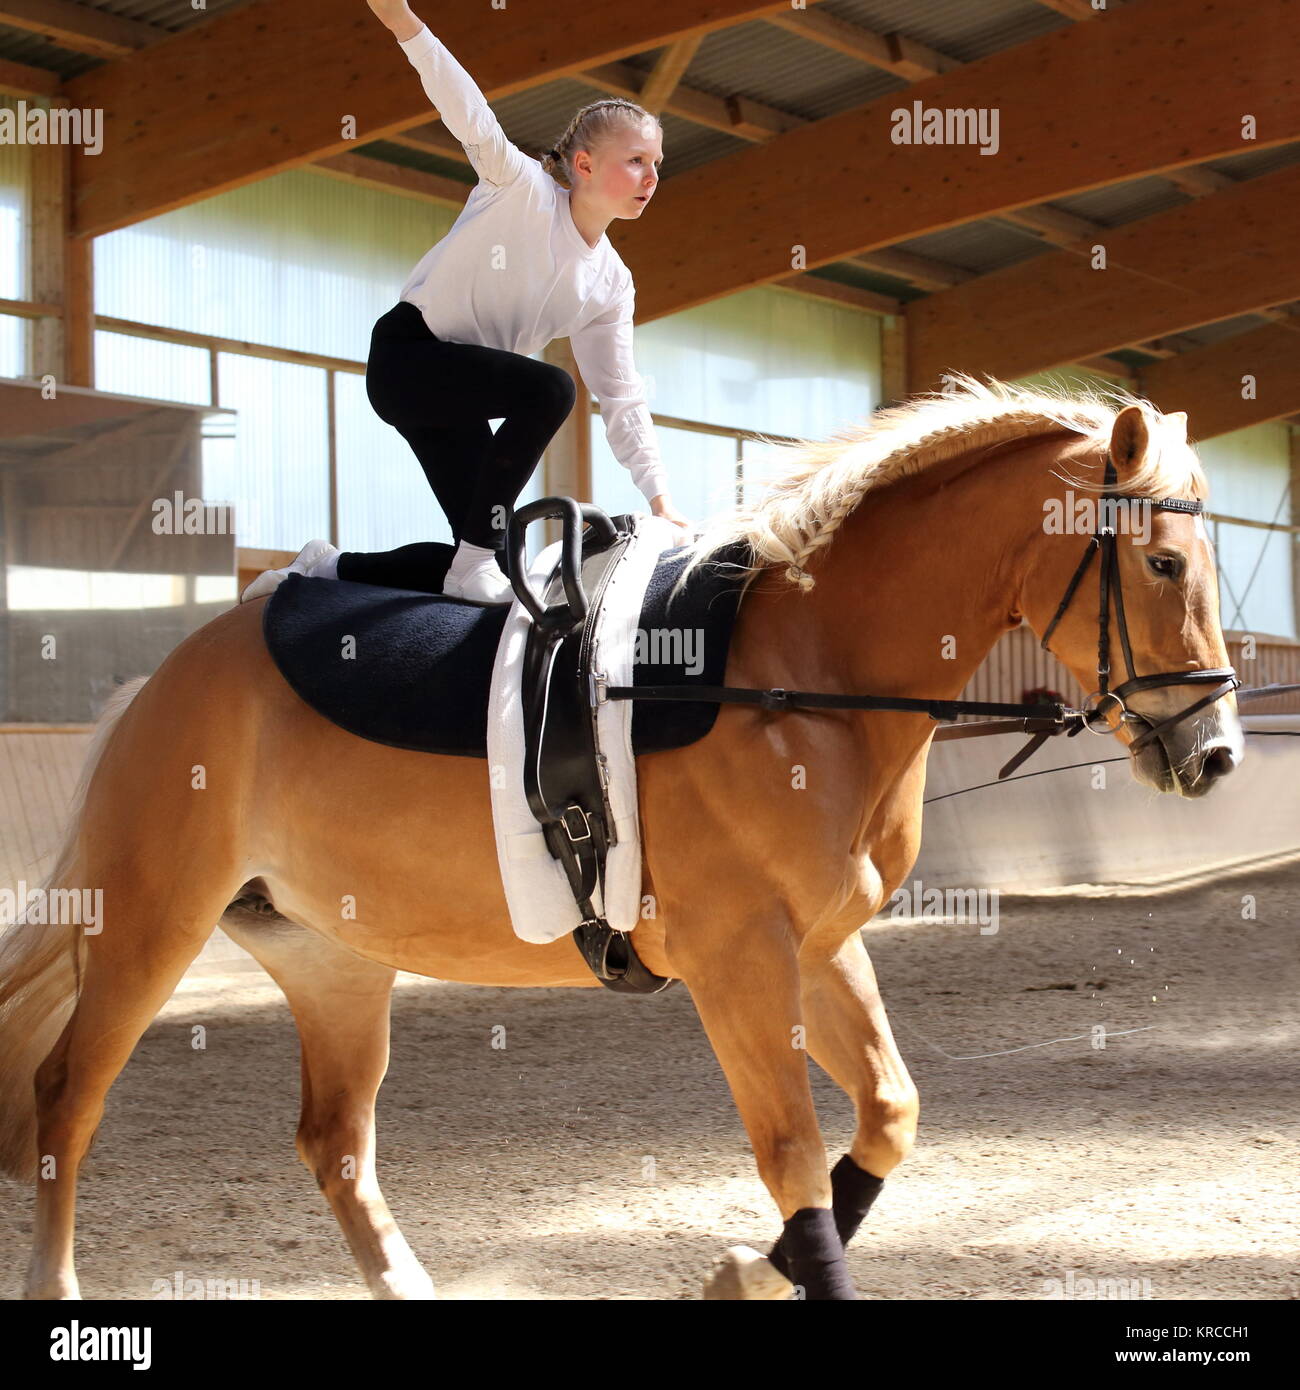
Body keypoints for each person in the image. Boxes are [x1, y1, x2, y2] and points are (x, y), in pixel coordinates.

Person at [242, 0, 691, 605]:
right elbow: (466, 109)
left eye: (657, 163)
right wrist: (405, 22)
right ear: (584, 164)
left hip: (463, 393)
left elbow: (621, 395)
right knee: (551, 391)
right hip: (409, 360)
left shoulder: (611, 285)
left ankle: (323, 570)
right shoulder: (518, 187)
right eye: (636, 160)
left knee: (491, 570)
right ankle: (473, 560)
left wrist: (661, 502)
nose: (651, 176)